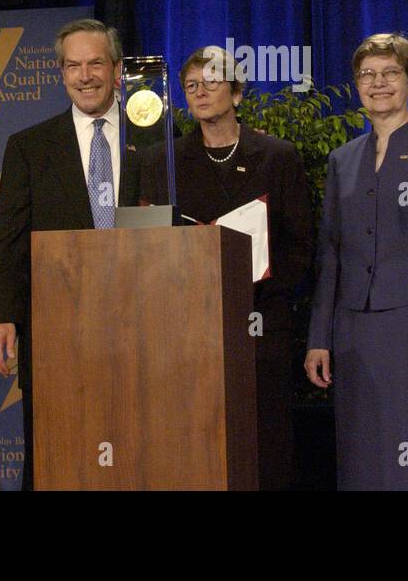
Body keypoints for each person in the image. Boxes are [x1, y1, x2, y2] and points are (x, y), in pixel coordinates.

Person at [138, 45, 314, 490]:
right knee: (196, 444)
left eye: (211, 82)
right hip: (186, 328)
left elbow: (300, 245)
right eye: (191, 86)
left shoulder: (277, 156)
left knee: (262, 447)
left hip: (259, 322)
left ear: (236, 93)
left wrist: (259, 279)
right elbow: (147, 242)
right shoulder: (164, 161)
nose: (201, 92)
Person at [304, 33, 408, 490]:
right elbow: (331, 255)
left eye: (390, 74)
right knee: (365, 462)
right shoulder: (342, 160)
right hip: (354, 336)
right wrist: (319, 338)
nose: (378, 84)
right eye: (368, 75)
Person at [0, 18, 140, 491]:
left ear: (116, 70)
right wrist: (3, 316)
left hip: (141, 325)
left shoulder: (153, 138)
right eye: (73, 65)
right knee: (56, 458)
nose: (85, 75)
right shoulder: (29, 147)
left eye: (95, 63)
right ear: (61, 73)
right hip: (57, 333)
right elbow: (8, 239)